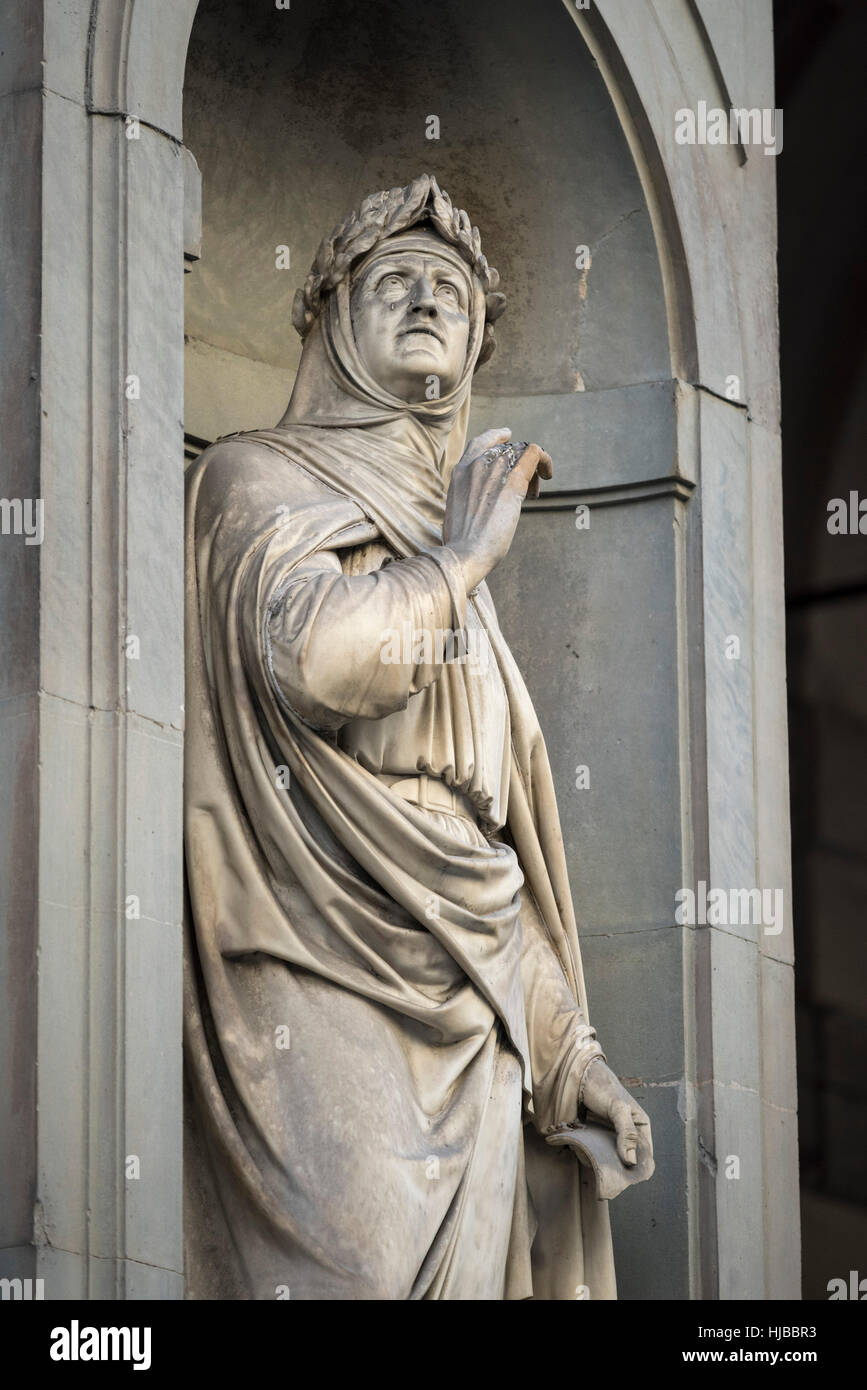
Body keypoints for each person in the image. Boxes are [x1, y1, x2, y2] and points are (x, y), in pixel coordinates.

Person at [183, 174, 651, 1300]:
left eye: (450, 290)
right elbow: (323, 665)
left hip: (471, 1009)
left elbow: (477, 849)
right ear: (336, 319)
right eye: (393, 280)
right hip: (314, 962)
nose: (426, 299)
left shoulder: (450, 553)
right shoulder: (259, 477)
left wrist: (566, 1052)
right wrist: (461, 559)